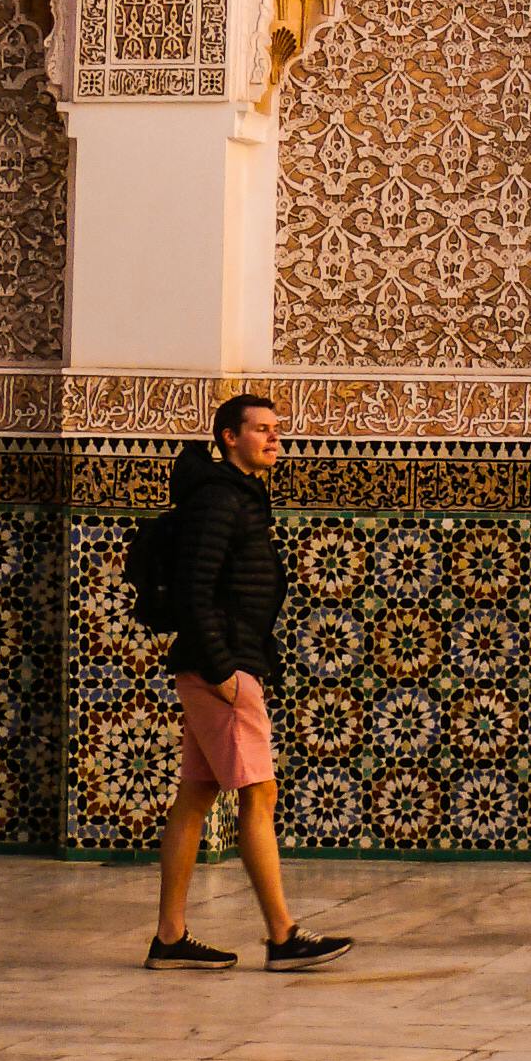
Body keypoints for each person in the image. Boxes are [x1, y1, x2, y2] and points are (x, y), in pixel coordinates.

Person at [152, 393, 350, 974]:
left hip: (221, 665)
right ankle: (283, 935)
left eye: (276, 429)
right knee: (259, 794)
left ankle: (170, 938)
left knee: (196, 797)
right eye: (261, 429)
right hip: (222, 670)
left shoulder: (236, 496)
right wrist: (223, 674)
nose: (274, 438)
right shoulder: (220, 500)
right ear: (228, 437)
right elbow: (195, 590)